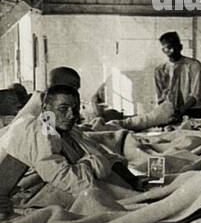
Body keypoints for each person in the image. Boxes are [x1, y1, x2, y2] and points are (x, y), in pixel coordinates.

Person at [0, 84, 132, 214]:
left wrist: (128, 176)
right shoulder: (39, 132)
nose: (71, 115)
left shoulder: (70, 130)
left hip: (60, 188)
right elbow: (70, 181)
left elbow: (103, 155)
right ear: (45, 109)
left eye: (75, 109)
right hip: (29, 197)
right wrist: (91, 163)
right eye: (63, 109)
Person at [155, 31, 201, 119]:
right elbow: (161, 97)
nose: (172, 51)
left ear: (180, 47)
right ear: (163, 50)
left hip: (192, 112)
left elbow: (196, 94)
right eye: (168, 48)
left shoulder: (194, 65)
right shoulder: (160, 70)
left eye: (175, 47)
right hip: (169, 113)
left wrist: (181, 111)